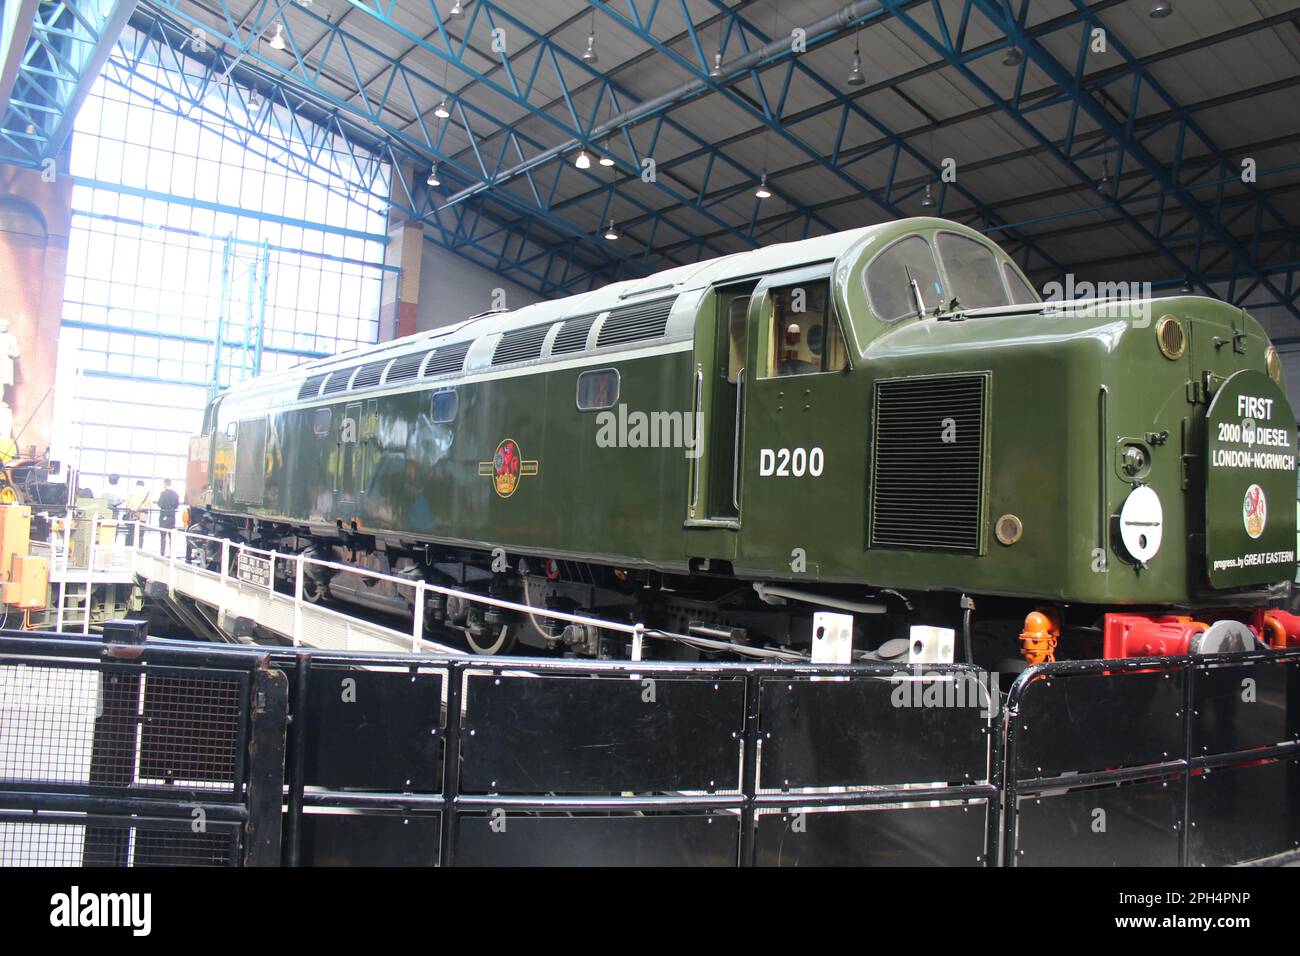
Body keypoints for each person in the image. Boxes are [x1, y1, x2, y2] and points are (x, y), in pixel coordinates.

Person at [123, 480, 151, 547]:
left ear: (136, 484)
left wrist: (133, 507)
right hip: (143, 514)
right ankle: (139, 547)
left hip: (133, 513)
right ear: (143, 485)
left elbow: (126, 504)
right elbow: (150, 505)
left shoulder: (131, 491)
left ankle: (130, 546)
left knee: (132, 530)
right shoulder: (147, 492)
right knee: (141, 532)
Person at [157, 479, 179, 556]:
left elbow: (159, 504)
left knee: (163, 536)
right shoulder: (175, 494)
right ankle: (171, 553)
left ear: (165, 484)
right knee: (171, 536)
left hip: (163, 516)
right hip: (172, 516)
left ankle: (162, 553)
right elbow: (176, 505)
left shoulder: (163, 494)